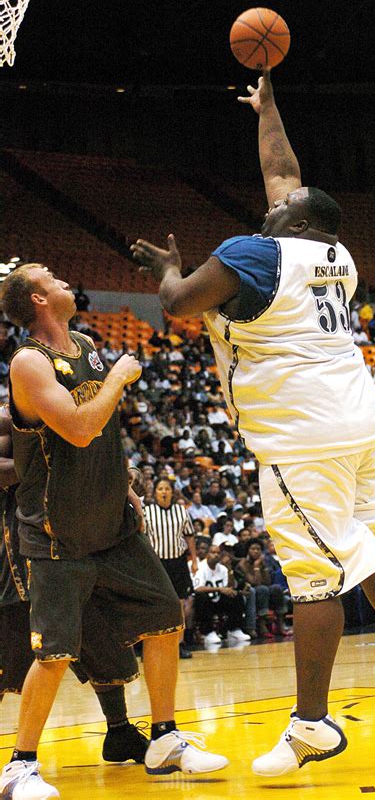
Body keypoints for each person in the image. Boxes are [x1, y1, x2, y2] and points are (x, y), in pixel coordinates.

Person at [131, 69, 375, 777]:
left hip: (298, 435)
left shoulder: (257, 252)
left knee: (313, 576)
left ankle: (312, 724)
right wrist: (268, 106)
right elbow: (285, 171)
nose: (270, 205)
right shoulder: (335, 254)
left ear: (300, 221)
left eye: (283, 207)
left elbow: (181, 304)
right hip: (355, 419)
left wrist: (169, 269)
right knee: (365, 547)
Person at [0, 264, 228, 799]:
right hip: (59, 533)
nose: (63, 281)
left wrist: (123, 484)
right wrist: (120, 379)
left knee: (167, 621)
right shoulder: (30, 364)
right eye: (53, 279)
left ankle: (166, 739)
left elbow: (102, 436)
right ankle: (19, 768)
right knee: (54, 653)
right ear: (38, 298)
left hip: (113, 526)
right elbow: (80, 428)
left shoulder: (85, 343)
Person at [0, 406, 149, 765]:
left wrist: (122, 475)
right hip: (20, 547)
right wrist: (56, 466)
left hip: (71, 542)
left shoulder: (64, 410)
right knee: (11, 646)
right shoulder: (8, 418)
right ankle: (25, 757)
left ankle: (119, 730)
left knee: (98, 635)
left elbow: (96, 453)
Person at [144, 478, 198, 659]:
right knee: (155, 604)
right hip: (157, 564)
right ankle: (152, 645)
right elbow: (142, 539)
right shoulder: (147, 511)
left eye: (167, 488)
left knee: (180, 604)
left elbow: (190, 536)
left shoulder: (181, 511)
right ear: (155, 492)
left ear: (172, 492)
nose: (164, 492)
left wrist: (195, 560)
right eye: (160, 489)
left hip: (178, 563)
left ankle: (179, 644)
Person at [191, 544, 250, 645]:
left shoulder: (223, 568)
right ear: (207, 555)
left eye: (218, 553)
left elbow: (229, 587)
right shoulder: (201, 567)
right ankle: (208, 632)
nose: (216, 555)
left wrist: (229, 569)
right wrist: (219, 589)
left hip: (218, 600)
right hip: (205, 603)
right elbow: (198, 589)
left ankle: (233, 629)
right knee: (201, 597)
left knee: (236, 596)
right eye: (213, 552)